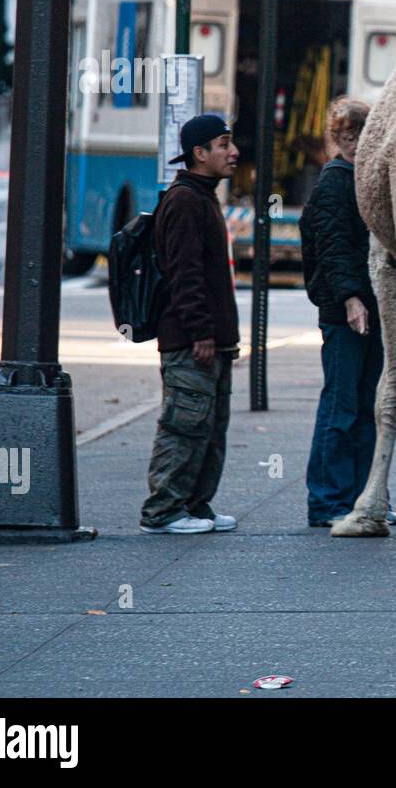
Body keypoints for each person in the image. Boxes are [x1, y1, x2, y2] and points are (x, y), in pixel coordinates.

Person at [299, 97, 396, 529]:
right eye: (348, 137)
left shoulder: (362, 181)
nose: (356, 144)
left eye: (363, 135)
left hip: (370, 306)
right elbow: (333, 248)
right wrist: (349, 298)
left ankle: (367, 495)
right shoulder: (336, 183)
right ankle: (328, 501)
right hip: (348, 312)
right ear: (337, 139)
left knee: (368, 406)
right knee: (342, 405)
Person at [140, 115, 241, 535]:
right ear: (199, 154)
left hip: (212, 338)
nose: (233, 153)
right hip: (190, 339)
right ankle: (162, 511)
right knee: (184, 424)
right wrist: (200, 330)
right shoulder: (184, 201)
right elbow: (185, 273)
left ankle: (196, 505)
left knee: (210, 426)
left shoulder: (202, 196)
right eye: (223, 144)